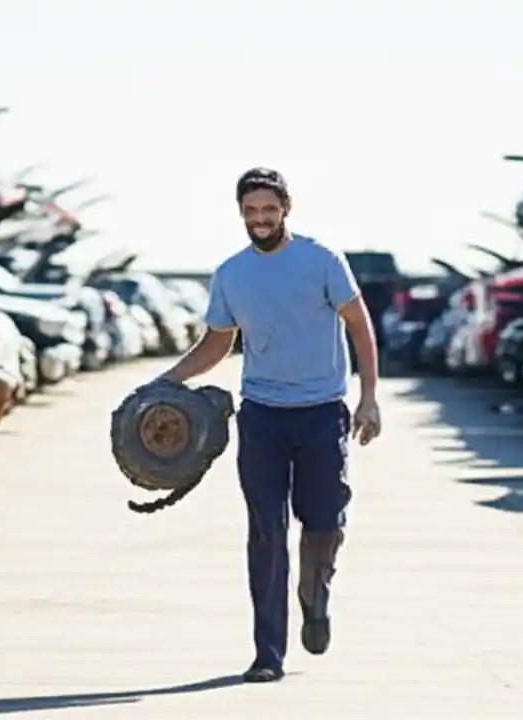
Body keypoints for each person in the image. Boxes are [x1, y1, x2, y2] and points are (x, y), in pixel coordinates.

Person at [156, 167, 382, 683]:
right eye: (251, 211)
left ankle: (315, 590)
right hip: (262, 414)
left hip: (323, 412)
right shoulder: (231, 274)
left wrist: (369, 397)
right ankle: (267, 653)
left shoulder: (321, 260)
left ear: (286, 208)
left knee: (323, 520)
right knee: (266, 530)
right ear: (241, 213)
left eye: (268, 209)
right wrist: (167, 381)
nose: (260, 219)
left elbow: (359, 326)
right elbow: (217, 343)